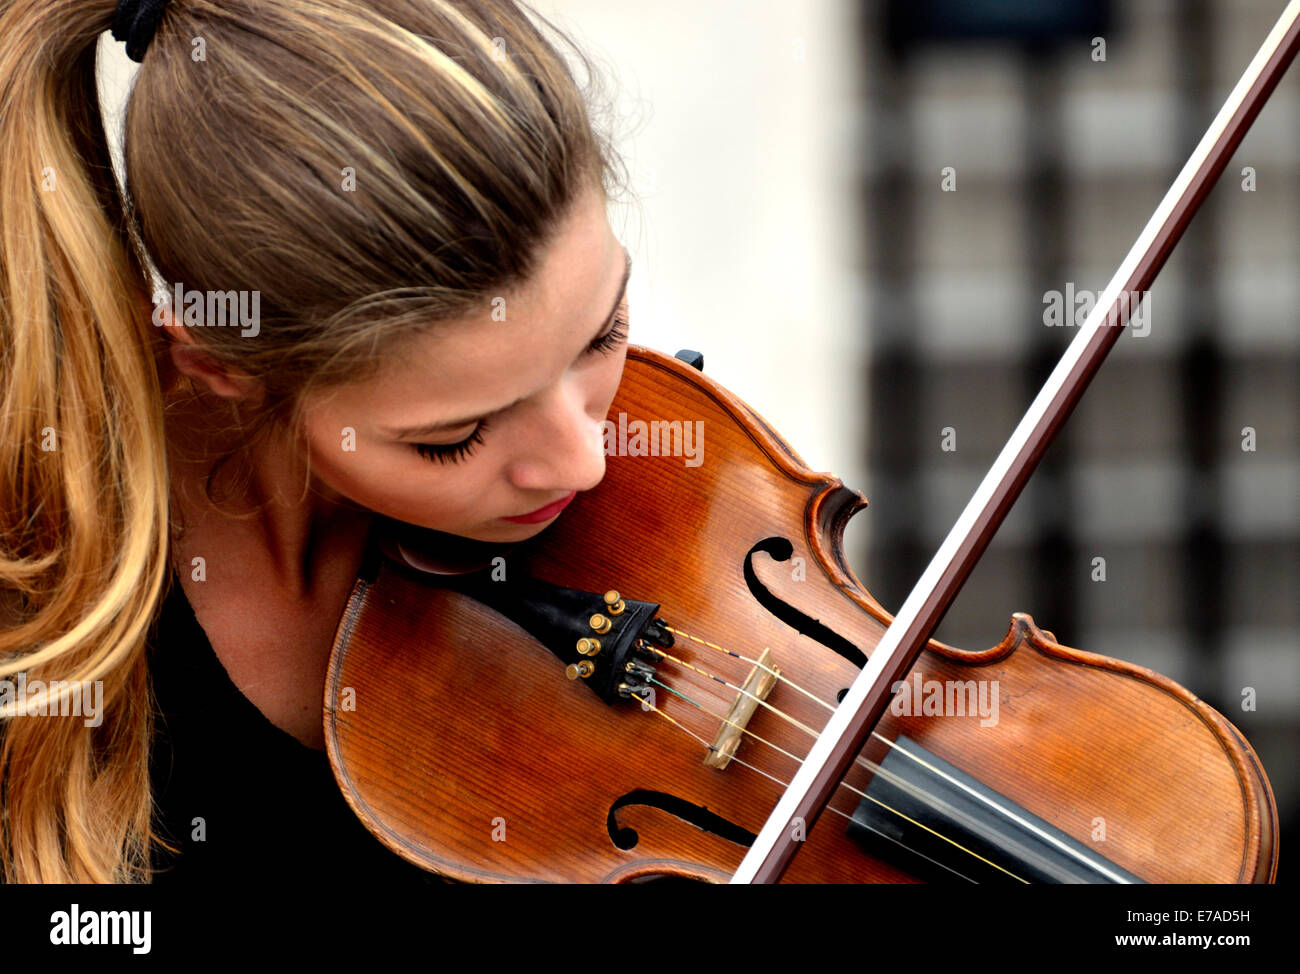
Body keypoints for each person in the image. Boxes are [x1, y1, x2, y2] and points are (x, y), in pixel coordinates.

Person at [0, 0, 632, 883]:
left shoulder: (669, 499)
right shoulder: (31, 619)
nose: (586, 462)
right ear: (222, 362)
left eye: (601, 337)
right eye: (454, 437)